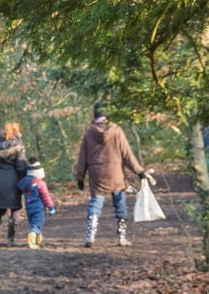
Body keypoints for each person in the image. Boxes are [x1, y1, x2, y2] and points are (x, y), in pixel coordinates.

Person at [74, 104, 149, 248]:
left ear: (94, 115)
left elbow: (82, 158)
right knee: (120, 203)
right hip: (116, 173)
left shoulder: (89, 133)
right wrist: (139, 171)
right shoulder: (116, 131)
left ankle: (90, 236)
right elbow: (127, 154)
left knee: (96, 203)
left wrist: (80, 178)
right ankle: (122, 237)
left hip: (97, 174)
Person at [0, 121, 28, 246]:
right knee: (15, 208)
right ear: (17, 132)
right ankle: (11, 239)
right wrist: (25, 175)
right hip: (12, 180)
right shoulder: (18, 145)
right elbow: (21, 166)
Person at [16, 160, 56, 249]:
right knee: (37, 223)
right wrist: (51, 207)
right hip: (39, 207)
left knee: (33, 223)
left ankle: (39, 240)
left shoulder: (24, 182)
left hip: (29, 207)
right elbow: (46, 196)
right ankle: (32, 242)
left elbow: (18, 186)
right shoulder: (40, 183)